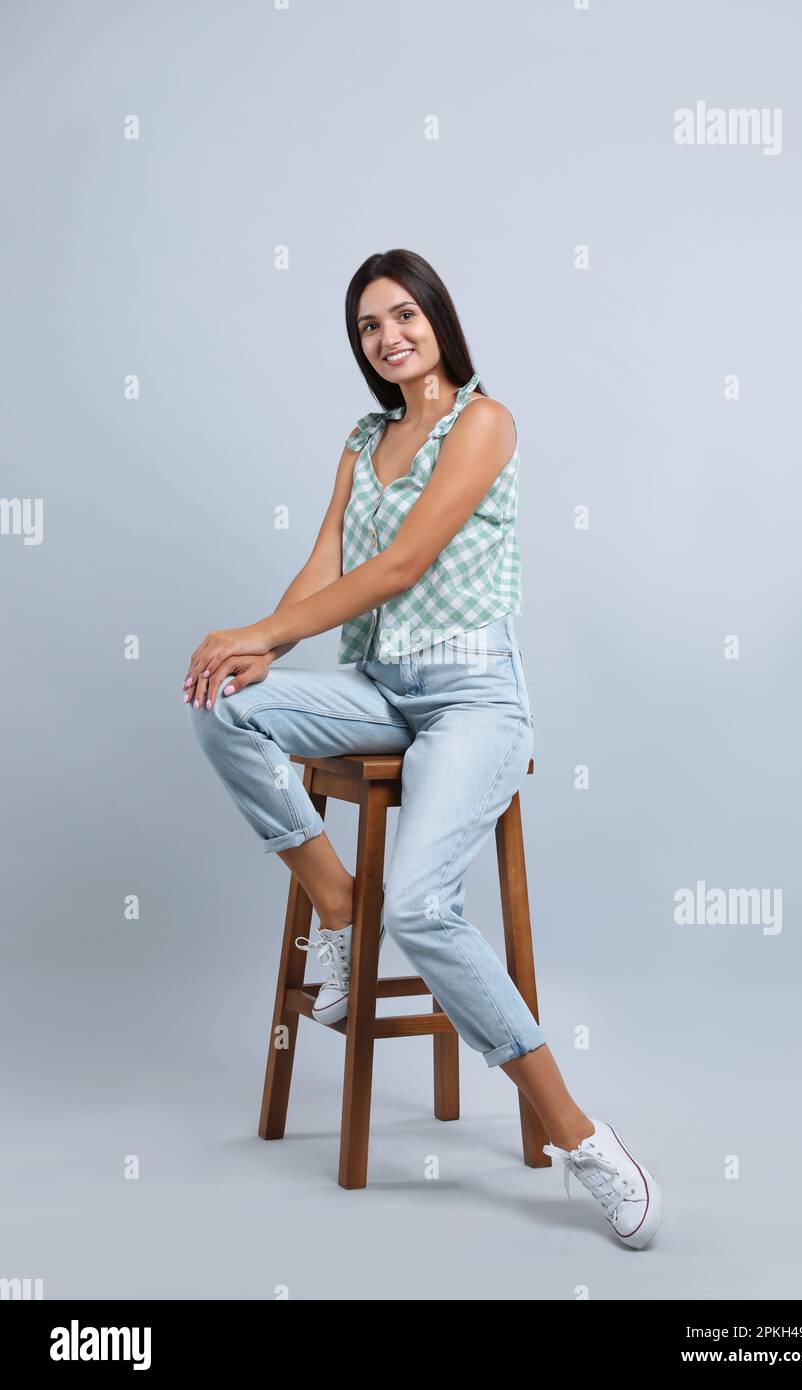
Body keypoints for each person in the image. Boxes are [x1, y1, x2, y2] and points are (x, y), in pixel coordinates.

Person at [182, 248, 662, 1249]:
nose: (388, 335)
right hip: (374, 687)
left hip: (470, 701)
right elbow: (325, 564)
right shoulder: (361, 440)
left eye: (404, 314)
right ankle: (337, 906)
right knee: (221, 705)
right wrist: (257, 646)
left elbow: (404, 562)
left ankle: (578, 1138)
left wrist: (260, 636)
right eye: (367, 325)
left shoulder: (481, 422)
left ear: (437, 319)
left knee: (426, 905)